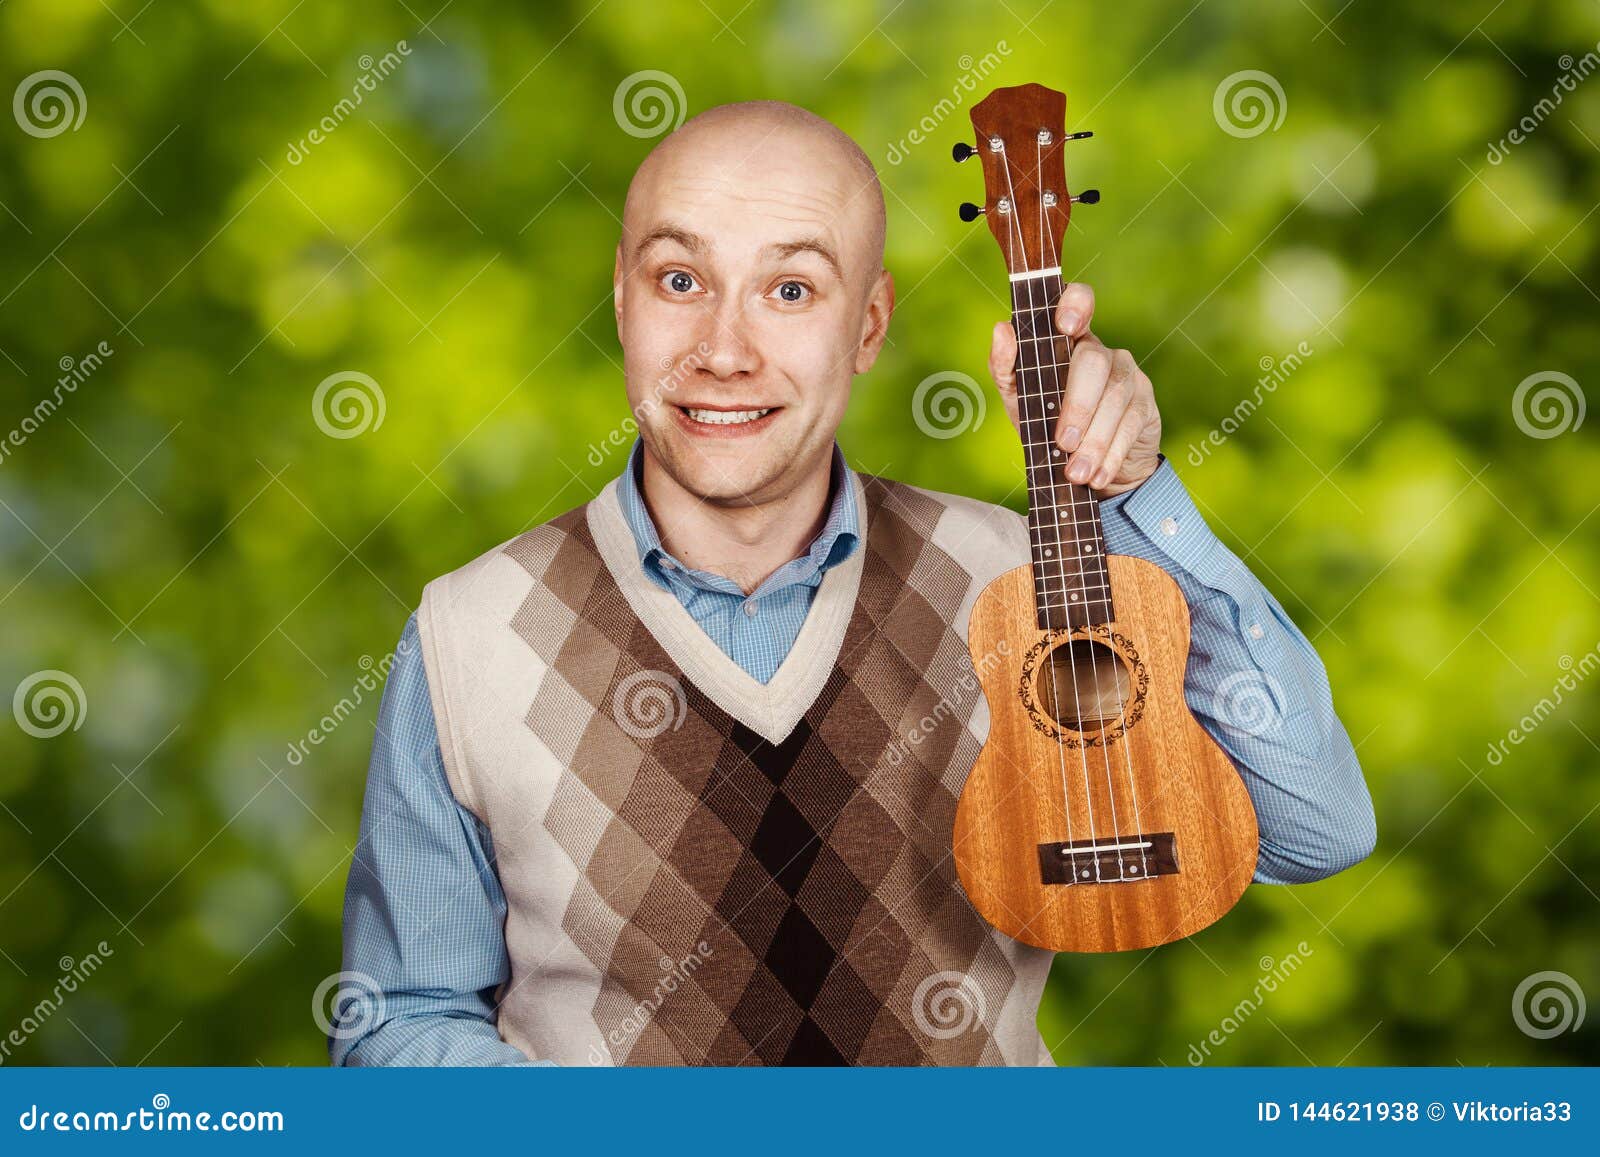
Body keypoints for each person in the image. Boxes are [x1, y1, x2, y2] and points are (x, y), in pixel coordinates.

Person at [331, 101, 1376, 1066]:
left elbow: (1312, 825)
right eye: (680, 280)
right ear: (621, 299)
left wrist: (1134, 491)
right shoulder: (467, 632)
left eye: (790, 289)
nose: (724, 350)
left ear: (868, 325)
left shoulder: (1017, 594)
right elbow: (397, 1024)